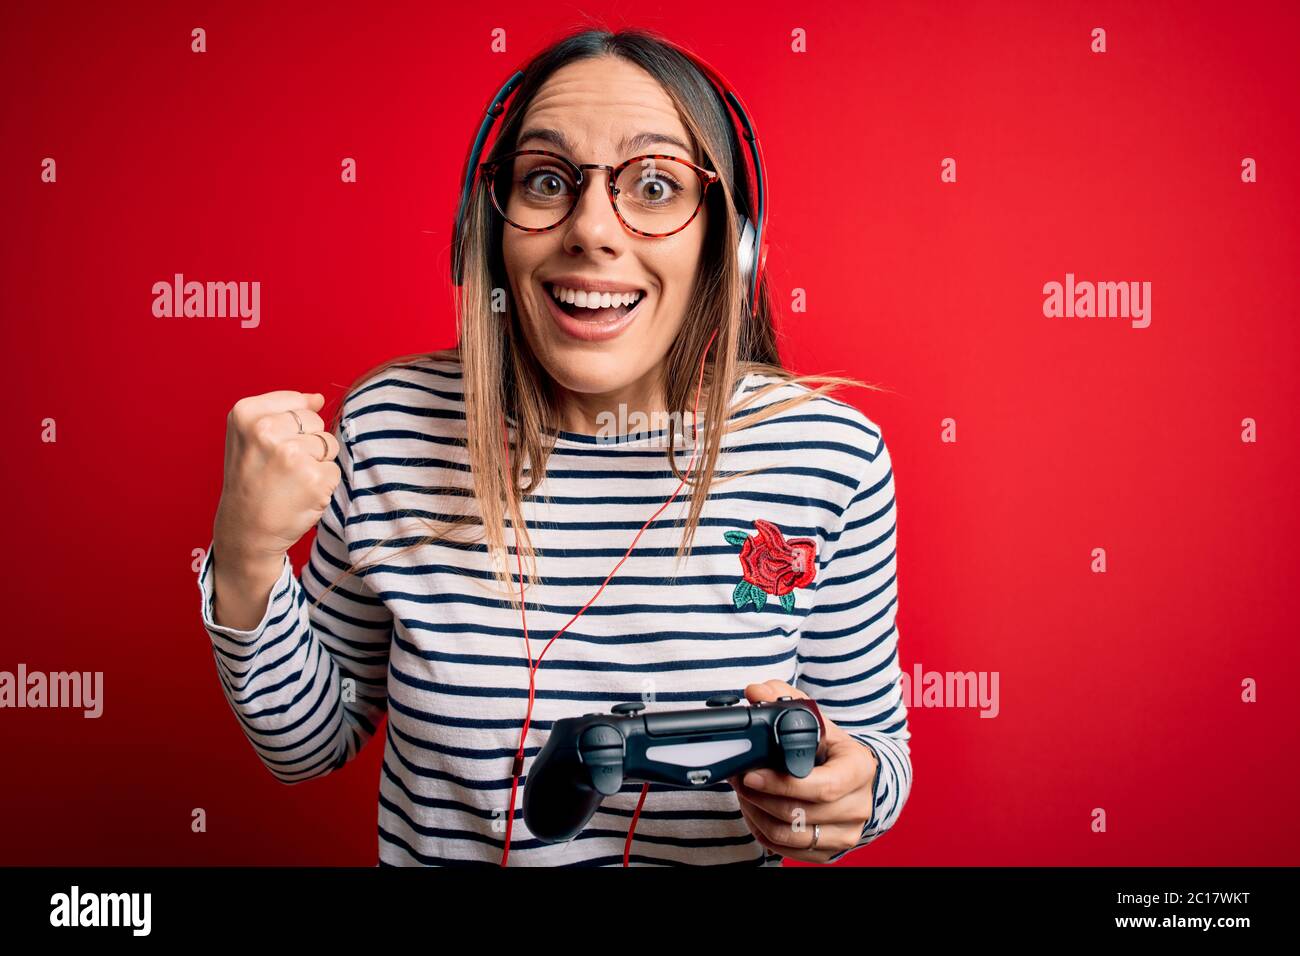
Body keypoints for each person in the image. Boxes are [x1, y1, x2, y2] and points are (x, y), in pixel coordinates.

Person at [197, 27, 911, 866]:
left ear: (730, 244)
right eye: (547, 180)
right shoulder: (387, 427)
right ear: (487, 229)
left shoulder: (832, 457)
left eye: (653, 185)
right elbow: (309, 744)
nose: (592, 231)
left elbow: (875, 755)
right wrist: (245, 556)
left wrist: (846, 792)